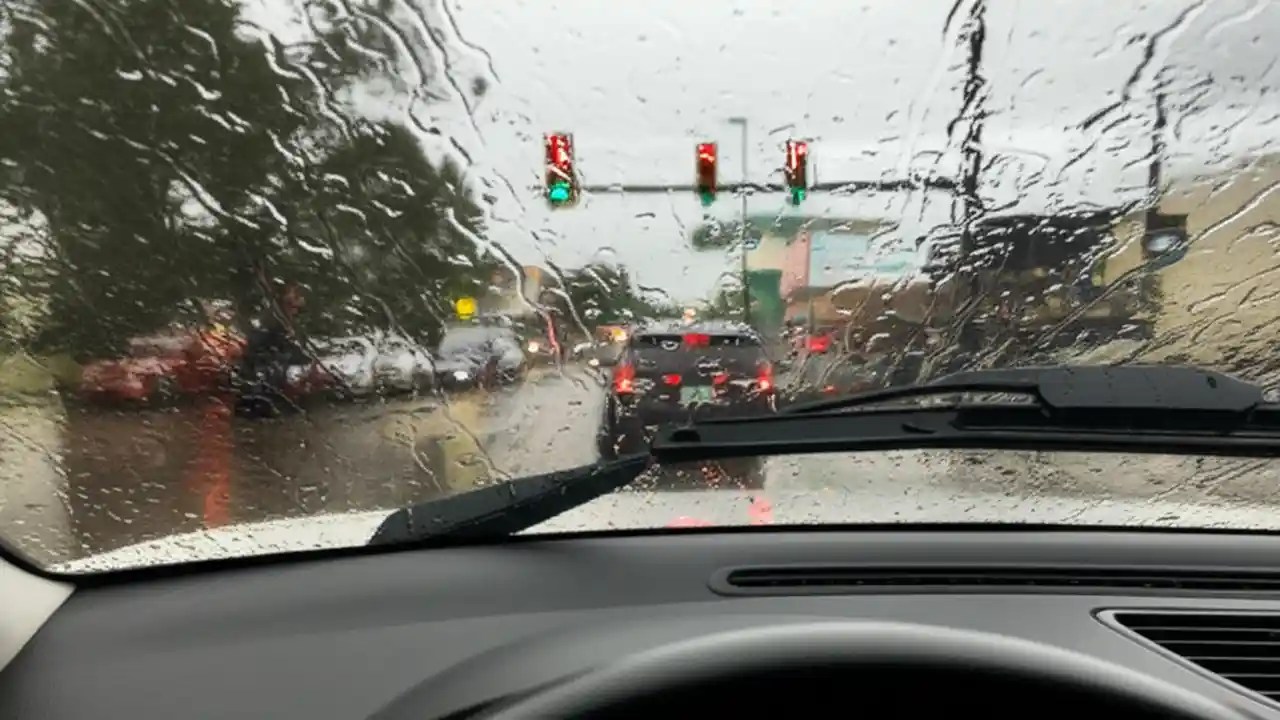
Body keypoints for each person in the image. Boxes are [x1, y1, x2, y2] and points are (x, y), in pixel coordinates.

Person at [235, 283, 310, 418]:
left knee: (282, 366)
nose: (296, 307)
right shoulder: (273, 318)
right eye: (294, 298)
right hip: (263, 358)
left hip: (271, 357)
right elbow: (265, 341)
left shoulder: (287, 320)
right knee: (271, 368)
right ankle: (259, 399)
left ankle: (271, 397)